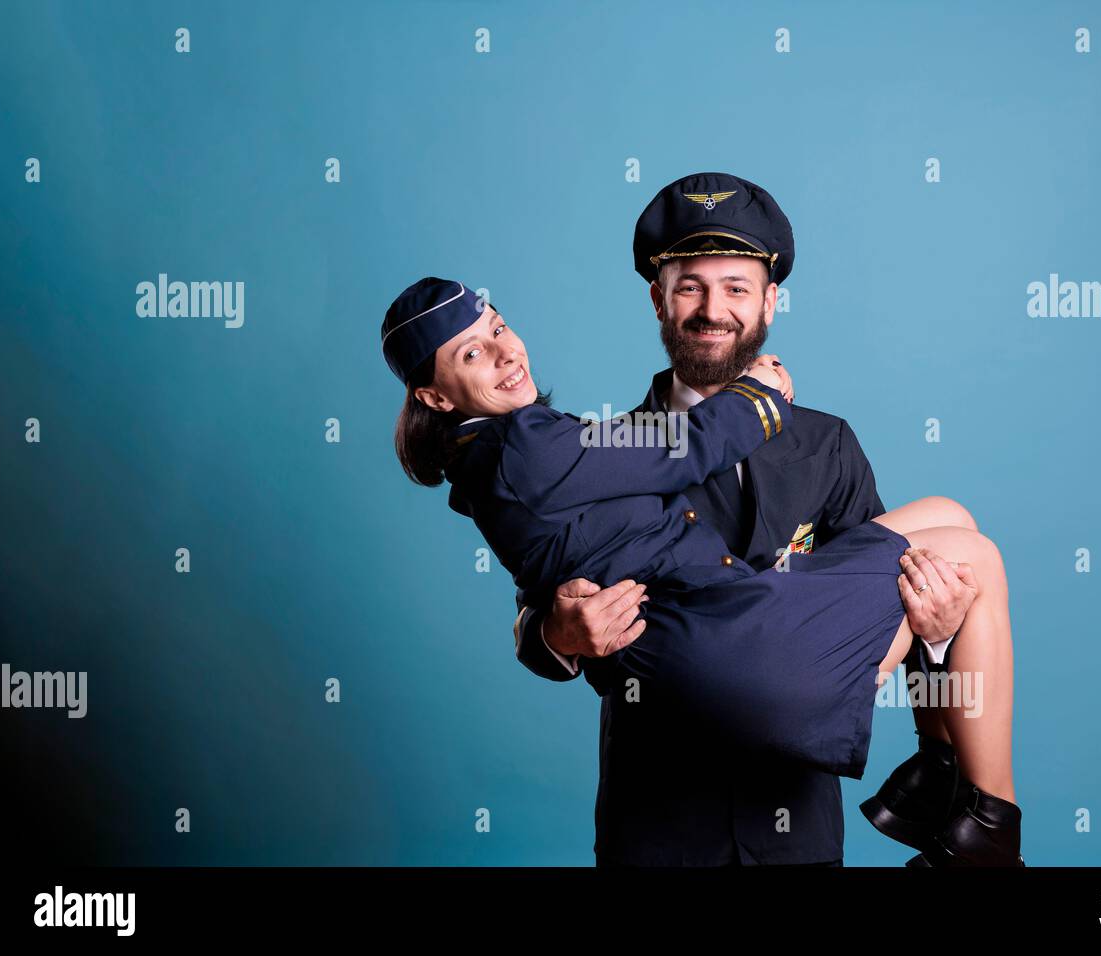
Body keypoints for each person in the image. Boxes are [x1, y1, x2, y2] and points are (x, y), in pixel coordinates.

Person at [380, 268, 1025, 867]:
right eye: (691, 287)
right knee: (976, 551)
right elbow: (545, 585)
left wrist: (937, 640)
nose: (714, 309)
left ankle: (938, 771)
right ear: (659, 301)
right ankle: (985, 820)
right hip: (663, 827)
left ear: (769, 302)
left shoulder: (826, 443)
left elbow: (907, 599)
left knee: (949, 521)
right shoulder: (606, 440)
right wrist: (555, 634)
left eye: (737, 289)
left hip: (793, 826)